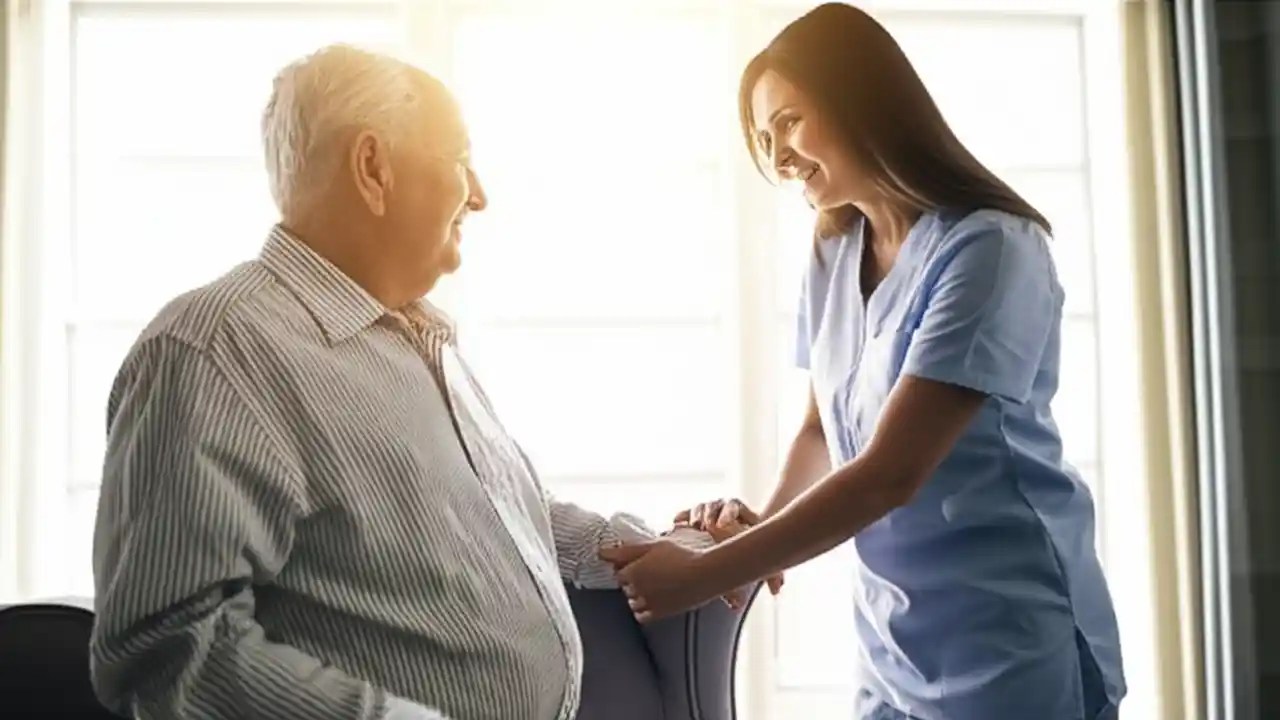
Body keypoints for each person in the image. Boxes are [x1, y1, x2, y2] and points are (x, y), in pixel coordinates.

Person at [89, 44, 715, 720]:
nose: (479, 194)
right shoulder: (214, 352)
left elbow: (492, 511)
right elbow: (169, 651)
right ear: (373, 167)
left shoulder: (418, 336)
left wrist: (624, 547)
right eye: (458, 159)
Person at [599, 4, 1126, 719]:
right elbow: (823, 430)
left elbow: (888, 474)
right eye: (763, 135)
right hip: (890, 640)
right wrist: (760, 535)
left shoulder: (992, 251)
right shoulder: (834, 244)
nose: (778, 156)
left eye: (788, 120)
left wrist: (706, 573)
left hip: (1005, 637)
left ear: (860, 99)